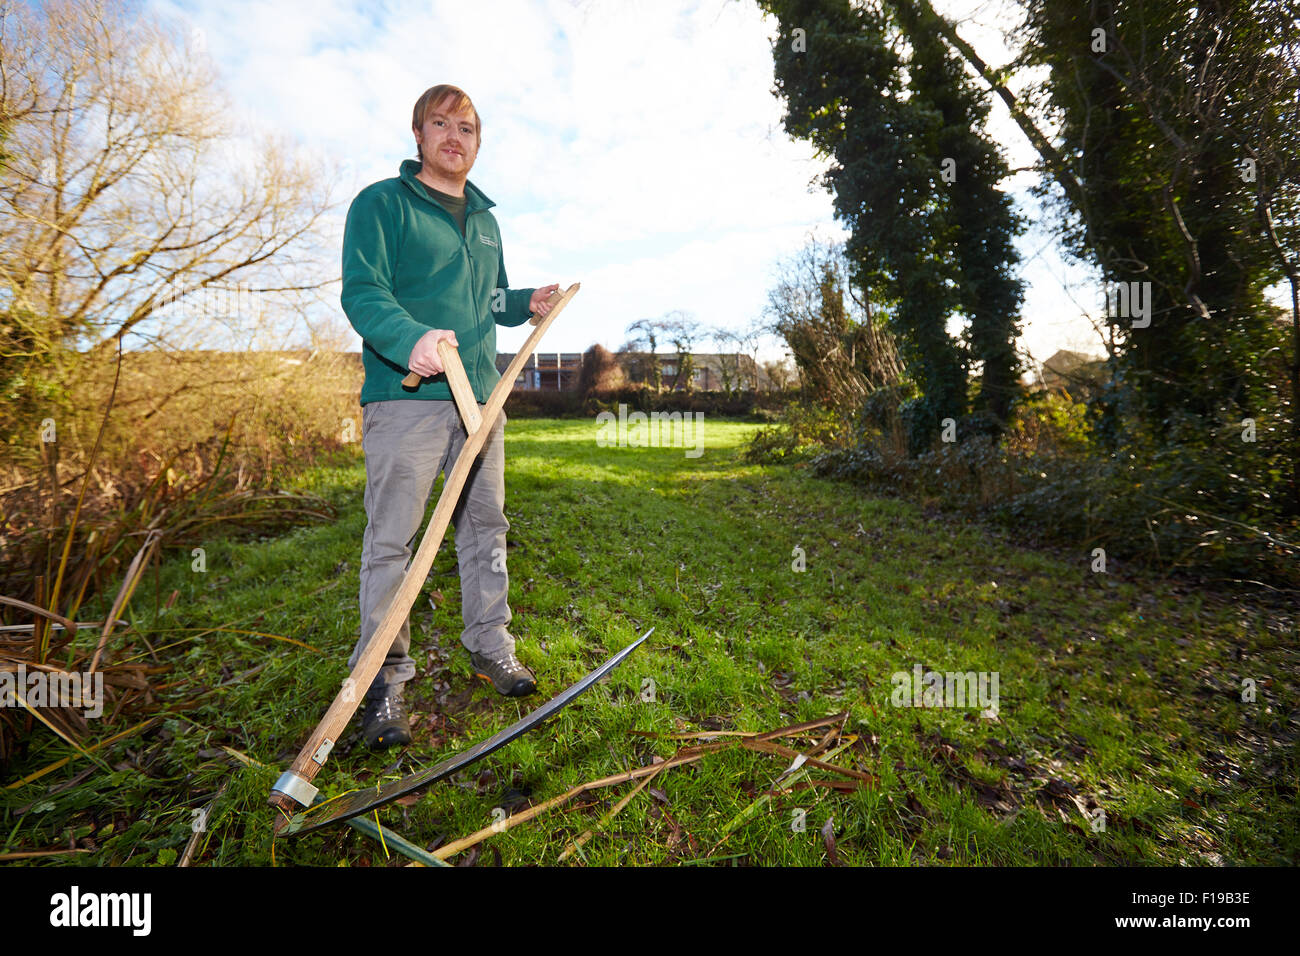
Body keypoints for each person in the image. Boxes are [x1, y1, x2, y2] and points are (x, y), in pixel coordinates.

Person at [339, 84, 558, 749]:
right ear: (418, 134)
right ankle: (382, 682)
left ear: (476, 142)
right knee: (393, 542)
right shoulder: (381, 204)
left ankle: (492, 648)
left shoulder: (486, 221)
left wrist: (525, 302)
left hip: (480, 400)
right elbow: (363, 290)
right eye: (441, 124)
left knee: (485, 529)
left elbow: (485, 298)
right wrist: (411, 338)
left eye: (466, 127)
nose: (454, 136)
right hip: (406, 398)